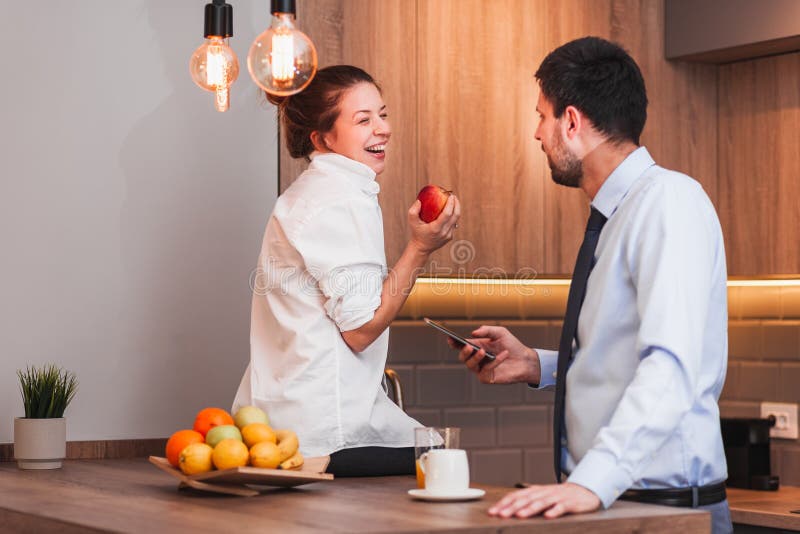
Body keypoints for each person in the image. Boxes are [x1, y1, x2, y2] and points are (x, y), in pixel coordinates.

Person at [452, 37, 731, 532]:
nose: (537, 134)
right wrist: (538, 365)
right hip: (617, 501)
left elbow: (671, 366)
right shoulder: (618, 215)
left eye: (542, 116)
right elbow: (625, 354)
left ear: (573, 122)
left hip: (664, 510)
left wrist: (590, 482)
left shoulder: (669, 202)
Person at [234, 65, 461, 476]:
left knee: (430, 446)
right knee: (440, 451)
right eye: (363, 120)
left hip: (281, 421)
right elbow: (359, 331)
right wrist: (420, 248)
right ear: (322, 138)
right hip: (326, 429)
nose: (383, 128)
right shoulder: (340, 198)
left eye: (382, 114)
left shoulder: (311, 193)